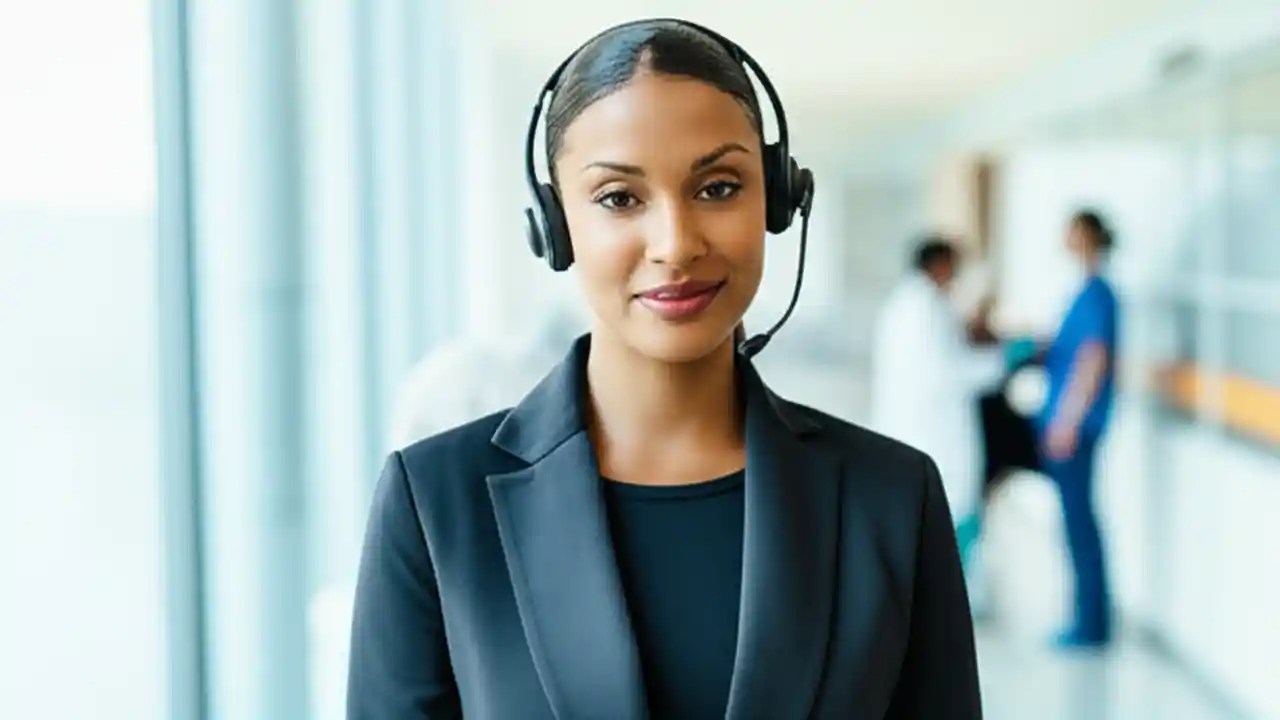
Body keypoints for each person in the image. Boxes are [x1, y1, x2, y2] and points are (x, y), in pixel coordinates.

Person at [347, 19, 981, 719]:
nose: (675, 245)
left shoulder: (892, 498)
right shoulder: (435, 504)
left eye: (718, 187)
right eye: (619, 198)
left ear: (775, 200)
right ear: (554, 226)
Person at [869, 236, 1004, 570]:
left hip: (916, 430)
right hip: (936, 432)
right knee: (947, 525)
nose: (957, 275)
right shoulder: (926, 309)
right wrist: (1005, 360)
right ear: (939, 265)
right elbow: (951, 373)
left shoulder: (907, 304)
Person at [1039, 209, 1120, 650]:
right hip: (1070, 425)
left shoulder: (1097, 294)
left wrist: (1066, 421)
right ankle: (1088, 621)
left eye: (1072, 230)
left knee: (1079, 524)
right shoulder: (1085, 291)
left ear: (1088, 236)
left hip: (1076, 429)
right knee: (1076, 522)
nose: (1064, 238)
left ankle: (1090, 625)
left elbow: (1093, 360)